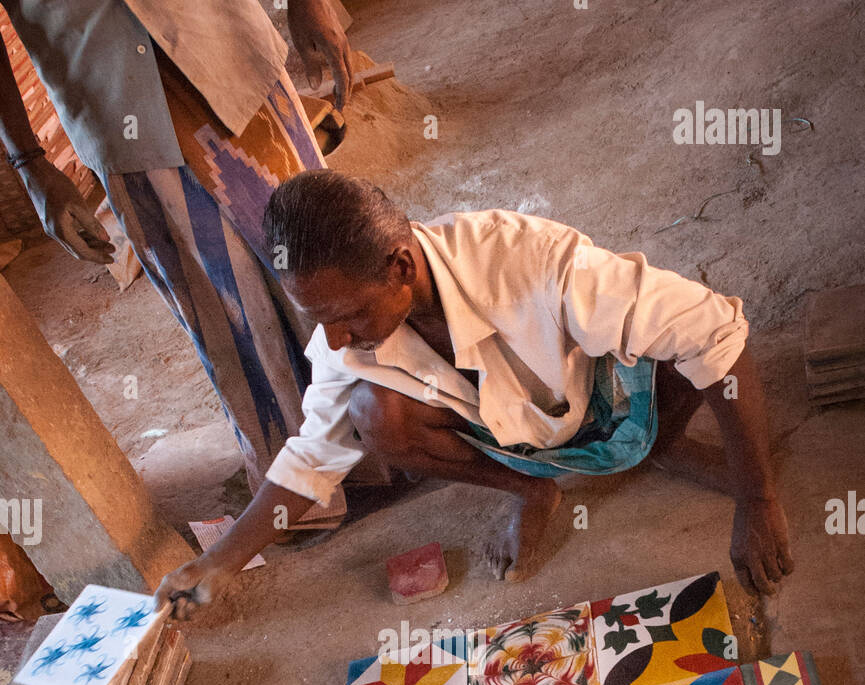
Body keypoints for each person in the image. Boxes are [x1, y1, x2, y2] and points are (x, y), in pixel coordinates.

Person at [156, 169, 794, 613]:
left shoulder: (533, 263)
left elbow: (720, 335)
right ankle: (531, 489)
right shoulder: (345, 337)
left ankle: (660, 444)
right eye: (315, 316)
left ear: (400, 267)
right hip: (524, 433)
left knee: (683, 341)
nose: (334, 337)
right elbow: (312, 459)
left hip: (606, 391)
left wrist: (758, 499)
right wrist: (218, 564)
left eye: (346, 313)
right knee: (373, 412)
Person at [0, 0, 352, 495]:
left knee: (321, 249)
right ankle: (302, 483)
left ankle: (389, 433)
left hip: (228, 49)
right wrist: (30, 165)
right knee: (223, 309)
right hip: (114, 100)